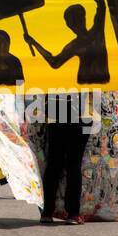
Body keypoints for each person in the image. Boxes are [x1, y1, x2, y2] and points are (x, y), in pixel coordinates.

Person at [39, 92, 91, 224]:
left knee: (54, 163)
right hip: (81, 115)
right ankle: (73, 213)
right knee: (74, 163)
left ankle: (47, 212)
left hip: (56, 111)